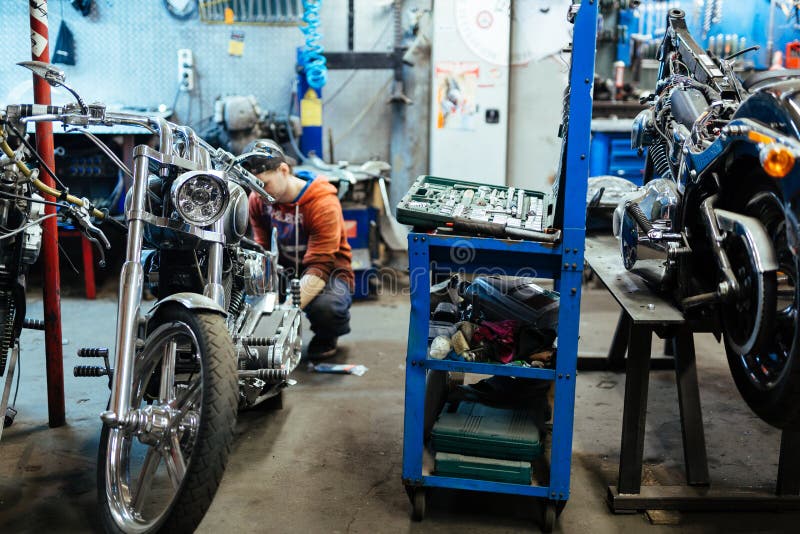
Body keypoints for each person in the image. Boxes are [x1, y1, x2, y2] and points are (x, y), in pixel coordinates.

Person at [239, 139, 353, 359]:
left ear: (283, 170)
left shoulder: (323, 203)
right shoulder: (257, 200)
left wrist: (285, 311)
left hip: (328, 272)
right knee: (243, 294)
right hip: (285, 269)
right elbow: (262, 250)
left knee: (327, 308)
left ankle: (326, 335)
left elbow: (320, 265)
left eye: (264, 184)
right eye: (253, 187)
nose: (259, 194)